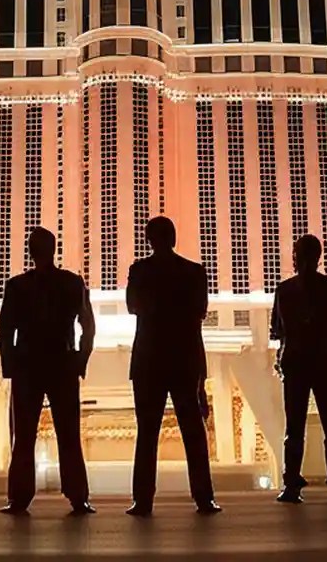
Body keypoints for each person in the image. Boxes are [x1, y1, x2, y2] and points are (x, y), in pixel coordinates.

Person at [124, 216, 220, 516]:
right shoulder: (193, 272)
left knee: (147, 432)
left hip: (149, 360)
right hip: (183, 358)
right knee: (193, 431)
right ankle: (203, 497)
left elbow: (133, 307)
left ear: (149, 240)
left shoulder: (140, 271)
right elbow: (198, 316)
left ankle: (143, 499)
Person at [0, 227, 96, 516]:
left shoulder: (18, 286)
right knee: (66, 434)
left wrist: (10, 365)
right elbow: (87, 326)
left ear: (32, 251)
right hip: (60, 364)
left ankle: (19, 498)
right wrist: (80, 358)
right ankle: (77, 497)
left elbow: (6, 330)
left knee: (25, 437)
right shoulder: (71, 283)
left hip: (30, 366)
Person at [270, 234, 327, 504]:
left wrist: (310, 327)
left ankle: (294, 483)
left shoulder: (286, 289)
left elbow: (278, 330)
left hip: (301, 362)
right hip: (318, 361)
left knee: (297, 427)